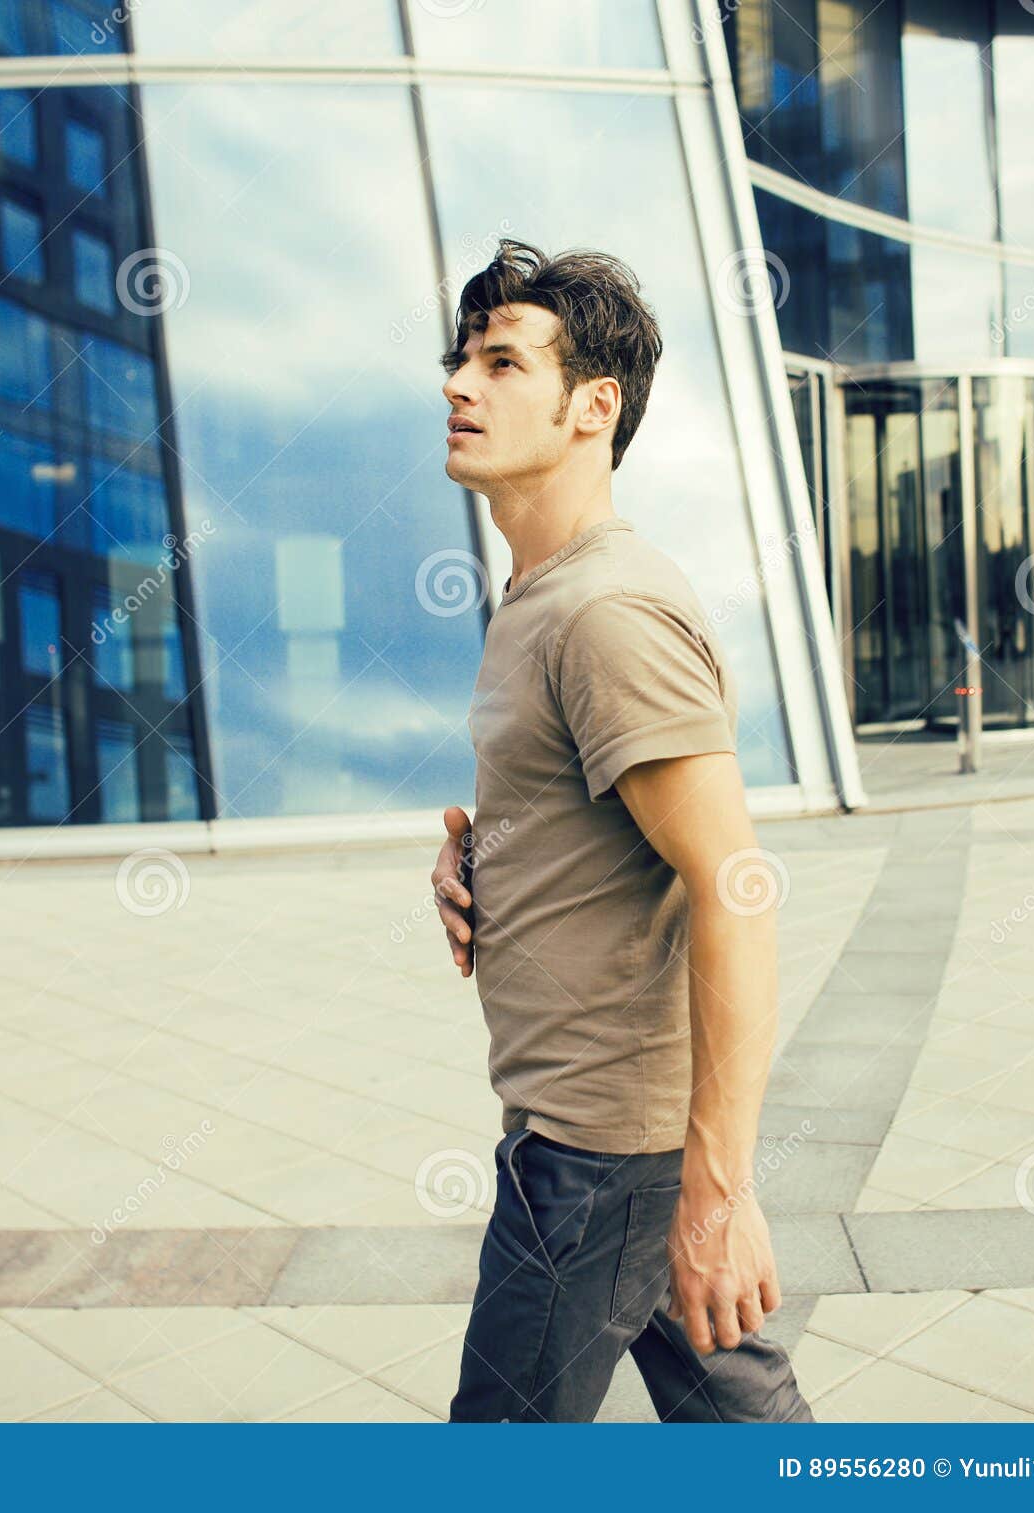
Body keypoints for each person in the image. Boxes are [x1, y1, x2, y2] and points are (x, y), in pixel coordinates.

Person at [432, 239, 812, 1424]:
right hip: (600, 1143)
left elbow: (733, 885)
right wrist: (482, 850)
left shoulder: (606, 610)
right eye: (459, 358)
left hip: (598, 1163)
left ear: (593, 405)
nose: (457, 384)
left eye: (501, 363)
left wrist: (715, 1191)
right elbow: (596, 824)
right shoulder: (538, 594)